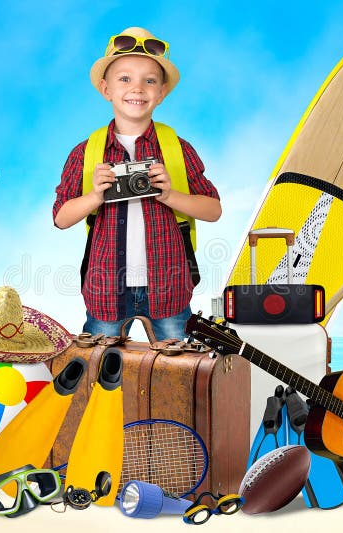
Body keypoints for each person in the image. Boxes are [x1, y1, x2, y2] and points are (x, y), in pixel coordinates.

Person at [53, 27, 221, 340]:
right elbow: (61, 218)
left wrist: (169, 195)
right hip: (105, 291)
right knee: (102, 378)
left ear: (162, 92)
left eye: (150, 80)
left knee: (180, 379)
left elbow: (213, 210)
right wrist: (93, 197)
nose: (138, 88)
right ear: (106, 89)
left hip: (169, 288)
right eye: (125, 78)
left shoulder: (177, 149)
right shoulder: (86, 152)